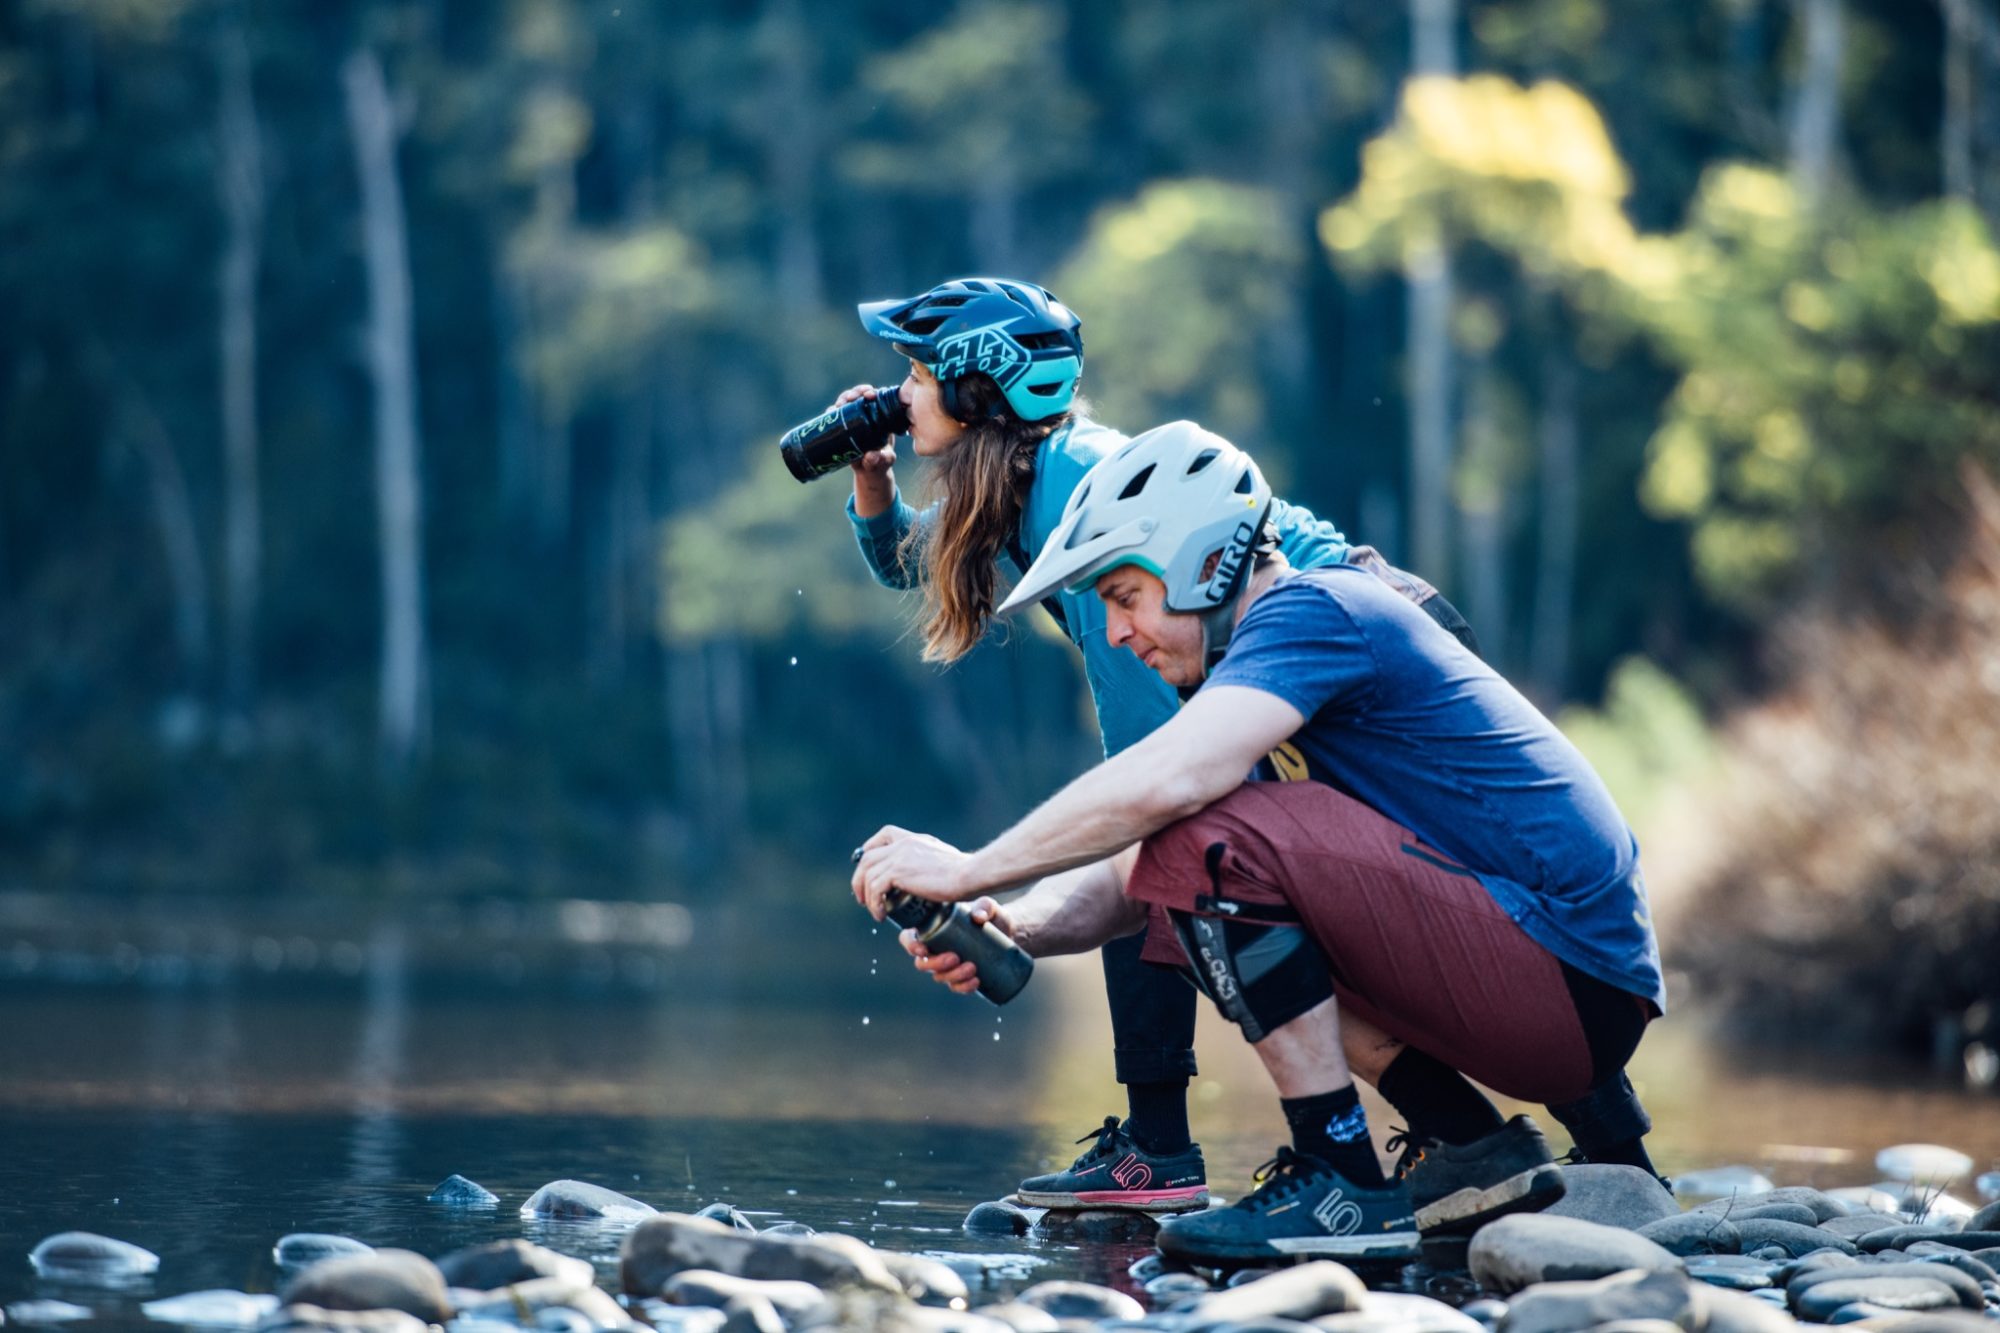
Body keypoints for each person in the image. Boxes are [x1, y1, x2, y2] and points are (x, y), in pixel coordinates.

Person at [851, 422, 1666, 1265]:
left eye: (1126, 596)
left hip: (1570, 979)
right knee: (1181, 871)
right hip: (1546, 986)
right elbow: (1138, 869)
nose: (1116, 632)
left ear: (1204, 562)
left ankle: (1340, 1178)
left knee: (1200, 834)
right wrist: (1014, 921)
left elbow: (1171, 789)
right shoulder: (1256, 664)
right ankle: (1472, 1147)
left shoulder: (1314, 609)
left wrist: (969, 866)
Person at [836, 276, 1383, 1214]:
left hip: (1353, 626)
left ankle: (1163, 1151)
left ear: (977, 390)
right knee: (1163, 843)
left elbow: (1151, 780)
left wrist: (993, 880)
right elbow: (908, 559)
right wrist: (873, 479)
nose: (901, 393)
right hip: (1316, 654)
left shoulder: (1073, 491)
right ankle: (1172, 1146)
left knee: (1156, 835)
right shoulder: (1015, 481)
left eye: (918, 375)